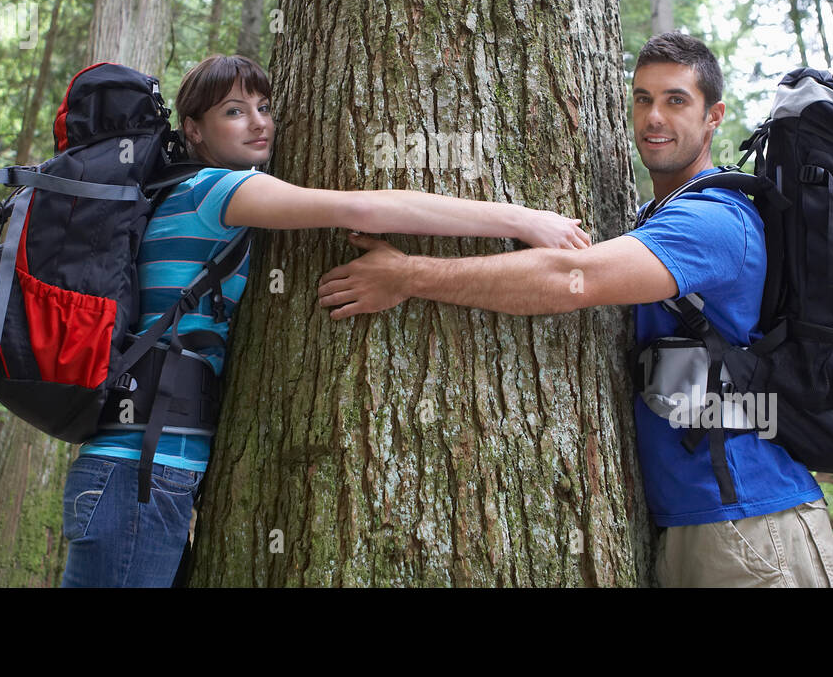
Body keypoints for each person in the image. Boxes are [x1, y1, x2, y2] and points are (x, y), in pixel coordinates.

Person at [318, 32, 833, 588]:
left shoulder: (714, 220)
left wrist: (409, 276)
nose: (654, 117)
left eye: (675, 100)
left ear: (713, 116)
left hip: (751, 520)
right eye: (642, 98)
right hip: (697, 517)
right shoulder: (657, 215)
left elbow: (571, 280)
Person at [60, 53, 591, 587]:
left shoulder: (184, 193)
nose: (259, 122)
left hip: (148, 471)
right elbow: (364, 210)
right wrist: (521, 219)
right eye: (234, 111)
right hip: (138, 473)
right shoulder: (215, 190)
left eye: (264, 107)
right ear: (194, 131)